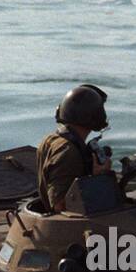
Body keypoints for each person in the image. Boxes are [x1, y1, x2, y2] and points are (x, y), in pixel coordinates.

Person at [36, 84, 113, 212]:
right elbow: (60, 207)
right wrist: (98, 178)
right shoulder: (68, 152)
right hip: (67, 228)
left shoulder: (51, 139)